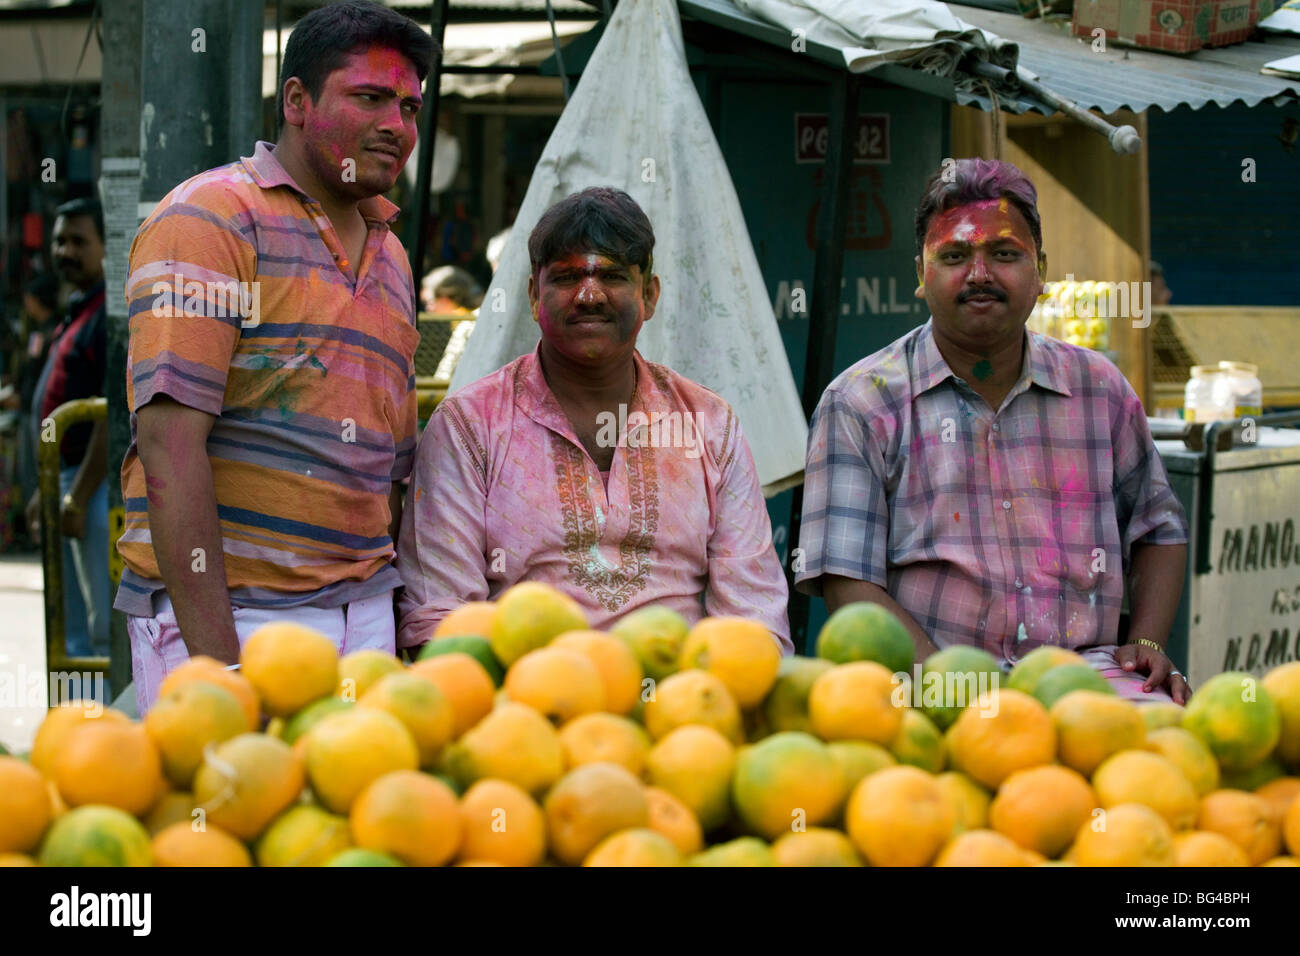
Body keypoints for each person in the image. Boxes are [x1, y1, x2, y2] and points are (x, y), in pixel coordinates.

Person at [116, 0, 435, 712]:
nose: (397, 126)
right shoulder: (209, 221)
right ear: (297, 100)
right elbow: (169, 448)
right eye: (371, 98)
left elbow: (389, 467)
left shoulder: (393, 259)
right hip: (234, 620)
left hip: (365, 616)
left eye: (410, 108)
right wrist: (219, 671)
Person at [796, 159, 1191, 703]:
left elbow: (1159, 530)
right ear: (920, 274)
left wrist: (1145, 638)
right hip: (928, 687)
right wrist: (959, 693)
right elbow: (849, 586)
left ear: (1041, 270)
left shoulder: (1099, 388)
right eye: (954, 256)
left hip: (1091, 683)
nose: (979, 274)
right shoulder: (861, 402)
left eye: (1004, 254)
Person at [397, 187, 791, 652]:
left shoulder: (707, 423)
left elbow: (753, 620)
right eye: (565, 278)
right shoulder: (468, 427)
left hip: (679, 704)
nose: (589, 295)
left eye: (612, 275)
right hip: (524, 707)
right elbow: (441, 623)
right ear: (532, 295)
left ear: (649, 295)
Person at [26, 200, 110, 658]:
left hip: (90, 488)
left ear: (105, 246)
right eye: (60, 241)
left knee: (98, 630)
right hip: (66, 481)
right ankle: (80, 720)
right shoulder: (76, 311)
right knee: (71, 627)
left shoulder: (105, 318)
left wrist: (77, 494)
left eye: (79, 241)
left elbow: (110, 414)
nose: (66, 251)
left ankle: (100, 723)